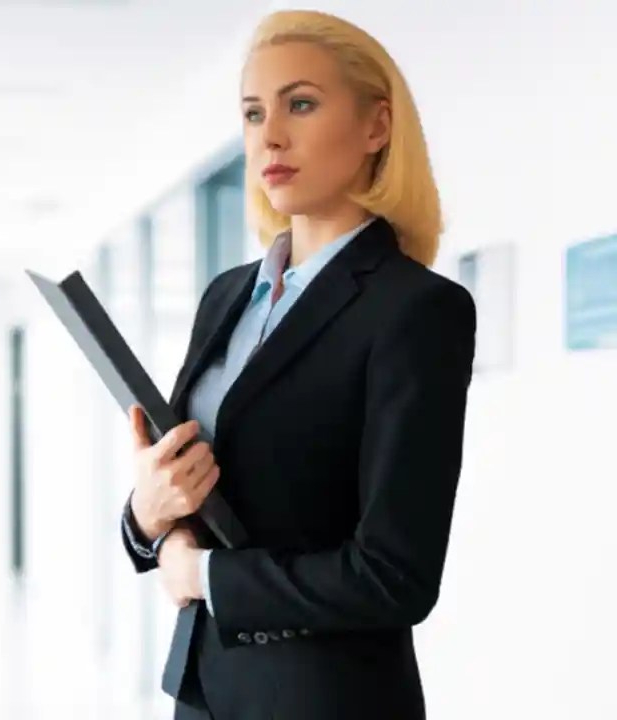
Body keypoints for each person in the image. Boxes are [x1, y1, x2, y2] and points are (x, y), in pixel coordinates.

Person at [119, 9, 477, 720]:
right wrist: (145, 514)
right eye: (253, 114)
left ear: (378, 127)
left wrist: (205, 574)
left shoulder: (416, 310)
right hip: (203, 692)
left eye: (301, 104)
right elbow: (192, 495)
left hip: (326, 700)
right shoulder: (227, 296)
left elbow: (395, 575)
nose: (269, 135)